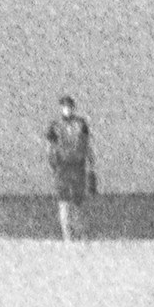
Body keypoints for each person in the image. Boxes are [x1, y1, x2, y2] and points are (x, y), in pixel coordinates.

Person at [42, 90, 96, 242]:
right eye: (65, 106)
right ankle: (67, 236)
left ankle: (82, 234)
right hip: (62, 166)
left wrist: (91, 162)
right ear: (61, 107)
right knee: (63, 200)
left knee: (79, 201)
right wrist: (52, 163)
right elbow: (50, 146)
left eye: (69, 106)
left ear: (73, 107)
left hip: (78, 165)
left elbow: (86, 143)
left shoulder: (81, 123)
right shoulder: (55, 125)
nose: (67, 108)